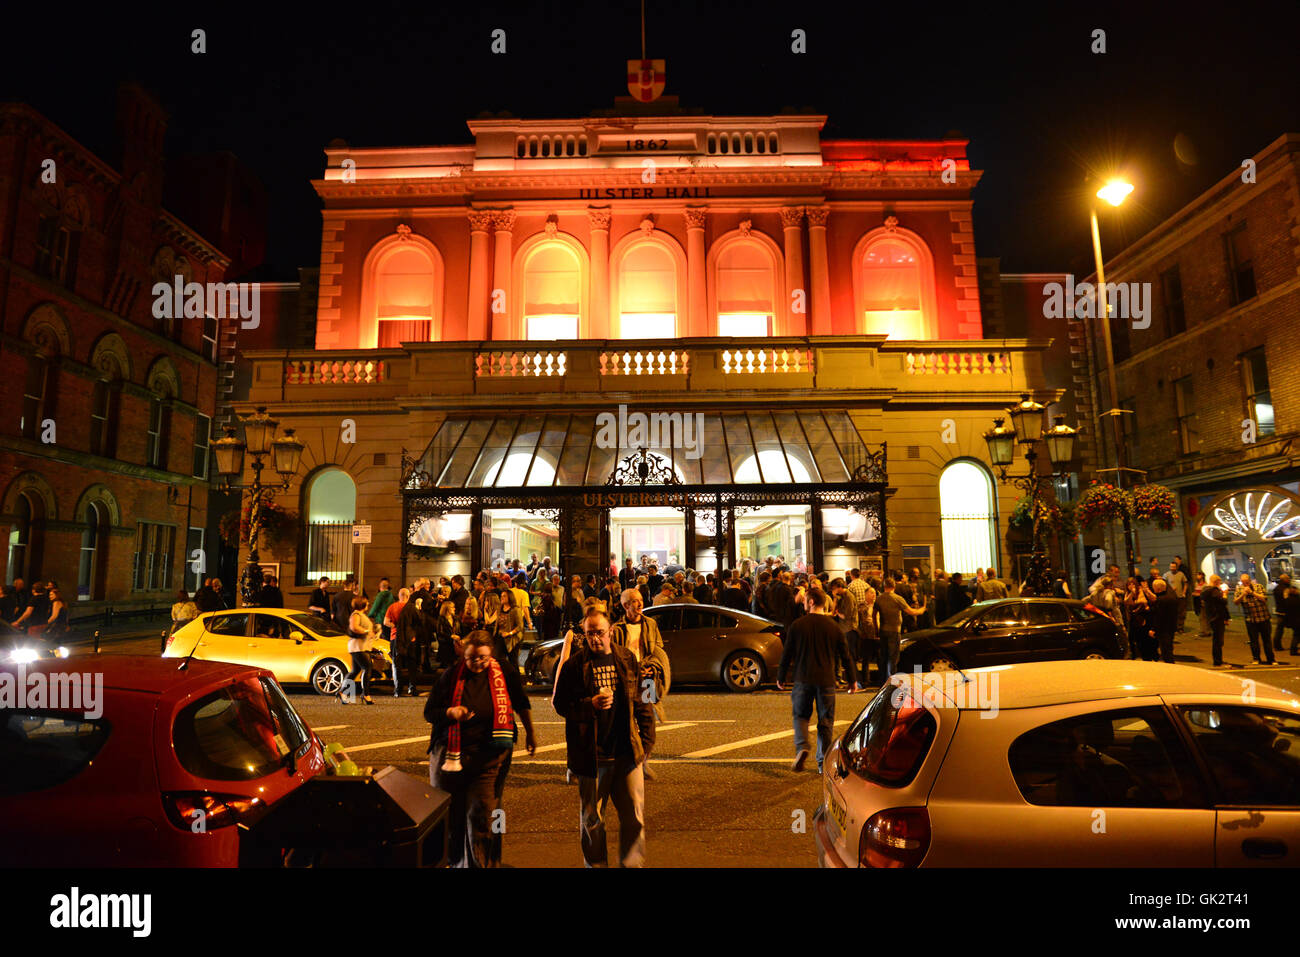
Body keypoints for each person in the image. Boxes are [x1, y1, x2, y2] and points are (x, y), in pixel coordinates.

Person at [553, 605, 656, 868]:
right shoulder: (576, 665)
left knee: (634, 818)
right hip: (592, 756)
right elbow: (560, 704)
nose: (595, 639)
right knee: (592, 820)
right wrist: (590, 705)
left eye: (599, 632)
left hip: (626, 753)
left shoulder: (627, 658)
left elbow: (644, 699)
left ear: (610, 631)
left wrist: (646, 742)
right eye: (589, 634)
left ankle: (631, 865)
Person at [425, 632, 536, 867]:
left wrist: (531, 733)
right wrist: (450, 713)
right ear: (463, 654)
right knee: (451, 817)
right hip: (452, 756)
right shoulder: (451, 675)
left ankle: (484, 863)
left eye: (483, 658)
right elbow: (430, 712)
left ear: (492, 653)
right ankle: (456, 863)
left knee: (484, 815)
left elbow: (521, 702)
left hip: (489, 757)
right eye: (471, 658)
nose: (477, 663)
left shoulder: (504, 671)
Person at [778, 589, 858, 774]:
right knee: (826, 722)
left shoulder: (798, 625)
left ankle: (802, 746)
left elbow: (787, 653)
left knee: (800, 716)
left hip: (802, 678)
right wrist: (852, 679)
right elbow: (846, 655)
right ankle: (823, 763)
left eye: (805, 600)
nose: (803, 603)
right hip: (826, 680)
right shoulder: (833, 627)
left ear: (812, 601)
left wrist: (781, 676)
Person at [874, 578, 927, 682]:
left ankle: (882, 680)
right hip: (894, 630)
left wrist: (876, 629)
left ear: (884, 586)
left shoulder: (879, 598)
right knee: (893, 657)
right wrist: (921, 610)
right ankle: (891, 680)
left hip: (883, 630)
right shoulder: (898, 598)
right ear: (894, 586)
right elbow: (911, 611)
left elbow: (874, 614)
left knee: (884, 656)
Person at [1233, 573, 1276, 665]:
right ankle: (1256, 658)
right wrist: (1243, 594)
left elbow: (1264, 599)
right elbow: (1236, 602)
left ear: (1250, 580)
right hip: (1250, 620)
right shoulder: (1239, 589)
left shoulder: (1258, 587)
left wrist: (1252, 593)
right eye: (1243, 583)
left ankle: (1271, 659)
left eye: (1247, 582)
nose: (1245, 584)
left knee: (1267, 640)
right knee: (1254, 641)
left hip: (1263, 618)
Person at [342, 596, 377, 705]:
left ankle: (344, 693)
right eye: (367, 603)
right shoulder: (356, 614)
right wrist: (367, 631)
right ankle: (365, 694)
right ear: (362, 604)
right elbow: (354, 627)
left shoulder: (361, 615)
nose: (368, 604)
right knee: (367, 668)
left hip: (362, 646)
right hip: (358, 646)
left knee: (355, 671)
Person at [1150, 579, 1180, 664]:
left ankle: (1170, 667)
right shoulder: (1172, 597)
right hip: (1171, 627)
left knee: (1165, 651)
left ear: (1157, 589)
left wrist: (1153, 629)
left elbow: (1158, 617)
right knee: (1169, 648)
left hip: (1163, 629)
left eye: (1154, 588)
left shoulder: (1160, 600)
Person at [1202, 575, 1230, 668]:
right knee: (1218, 641)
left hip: (1212, 617)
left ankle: (1218, 660)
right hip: (1217, 617)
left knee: (1217, 640)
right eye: (1219, 582)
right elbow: (1222, 603)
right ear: (1216, 582)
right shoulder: (1214, 591)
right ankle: (1218, 661)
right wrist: (1225, 594)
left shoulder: (1206, 590)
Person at [496, 588, 525, 672]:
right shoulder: (500, 608)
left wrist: (509, 633)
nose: (502, 598)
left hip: (512, 640)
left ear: (510, 597)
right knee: (500, 660)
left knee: (513, 662)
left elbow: (520, 626)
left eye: (504, 596)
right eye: (501, 596)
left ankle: (515, 680)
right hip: (500, 638)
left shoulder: (515, 610)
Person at [1273, 573, 1294, 652]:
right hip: (1286, 612)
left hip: (1279, 611)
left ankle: (1276, 645)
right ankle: (1294, 646)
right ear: (1284, 580)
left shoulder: (1276, 588)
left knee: (1279, 629)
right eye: (1288, 579)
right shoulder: (1286, 589)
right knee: (1296, 629)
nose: (1289, 580)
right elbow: (1287, 600)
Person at [1166, 560, 1189, 634]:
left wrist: (1184, 592)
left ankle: (1180, 628)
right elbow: (1164, 584)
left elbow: (1186, 583)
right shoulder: (1166, 575)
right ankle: (1174, 628)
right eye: (1171, 567)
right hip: (1171, 597)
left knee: (1181, 613)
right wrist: (1169, 590)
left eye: (1173, 567)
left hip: (1180, 597)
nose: (1172, 568)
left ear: (1176, 567)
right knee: (1172, 613)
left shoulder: (1181, 574)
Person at [1192, 571, 1210, 637]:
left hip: (1203, 602)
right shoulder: (1197, 583)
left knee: (1204, 616)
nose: (1197, 577)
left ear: (1202, 576)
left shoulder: (1205, 585)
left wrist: (1198, 594)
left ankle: (1206, 631)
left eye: (1198, 575)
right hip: (1197, 602)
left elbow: (1205, 594)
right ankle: (1203, 630)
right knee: (1200, 617)